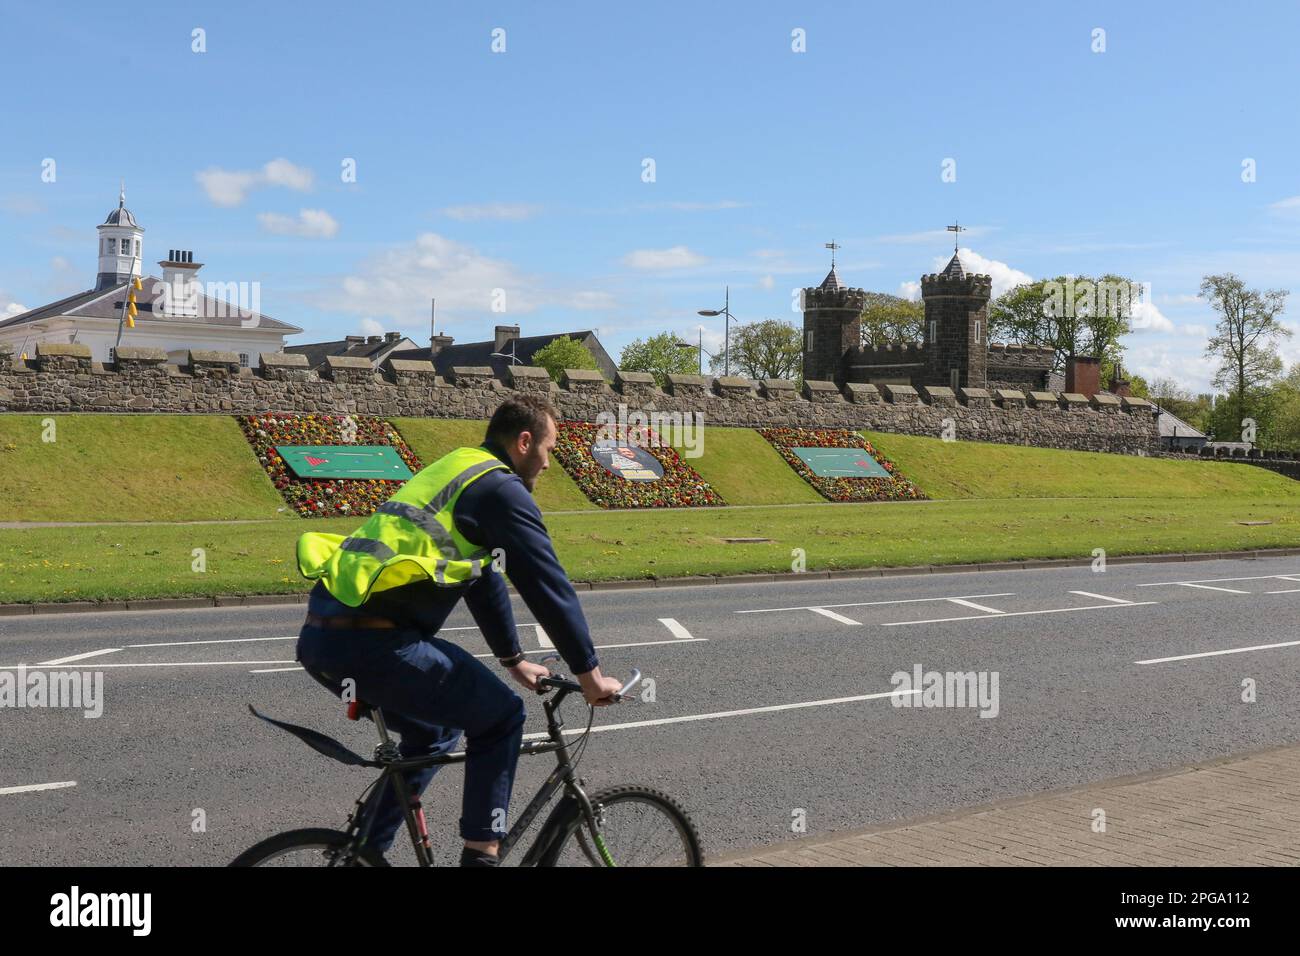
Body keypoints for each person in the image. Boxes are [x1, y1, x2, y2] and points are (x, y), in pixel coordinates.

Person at [294, 395, 623, 866]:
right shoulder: (501, 490)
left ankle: (362, 854)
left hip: (324, 638)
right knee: (502, 717)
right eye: (548, 448)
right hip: (375, 643)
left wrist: (513, 660)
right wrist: (590, 675)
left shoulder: (459, 468)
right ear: (524, 441)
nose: (549, 463)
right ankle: (482, 854)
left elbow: (483, 575)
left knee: (434, 733)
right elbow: (546, 584)